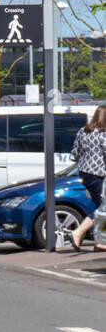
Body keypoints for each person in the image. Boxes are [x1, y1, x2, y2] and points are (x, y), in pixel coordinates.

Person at [70, 106, 106, 251]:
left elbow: (75, 153)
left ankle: (100, 240)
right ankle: (79, 233)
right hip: (99, 174)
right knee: (103, 209)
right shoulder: (103, 134)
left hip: (84, 173)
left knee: (101, 207)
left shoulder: (83, 131)